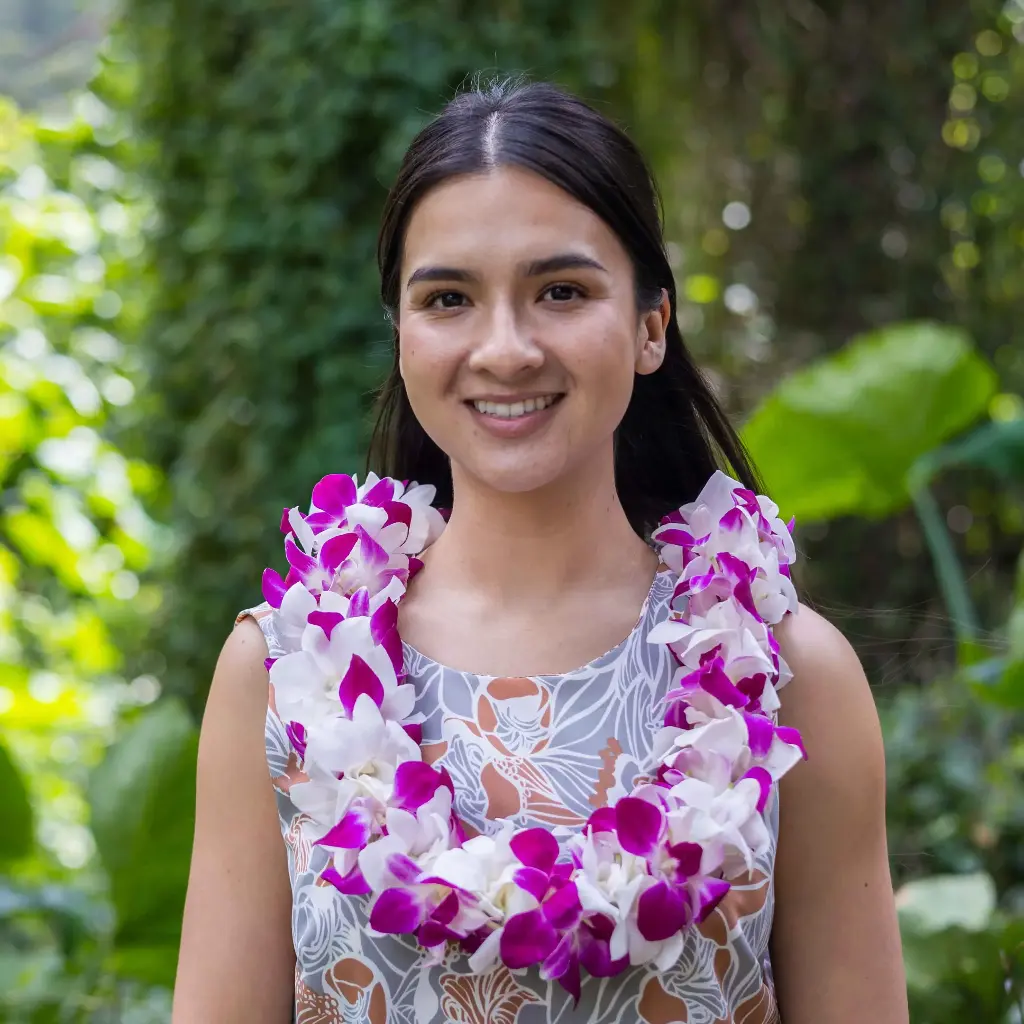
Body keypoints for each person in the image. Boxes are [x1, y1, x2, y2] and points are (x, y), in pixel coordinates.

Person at [172, 79, 908, 1024]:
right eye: (449, 299)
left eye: (560, 291)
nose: (506, 348)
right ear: (400, 336)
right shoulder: (278, 682)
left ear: (650, 328)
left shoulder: (792, 681)